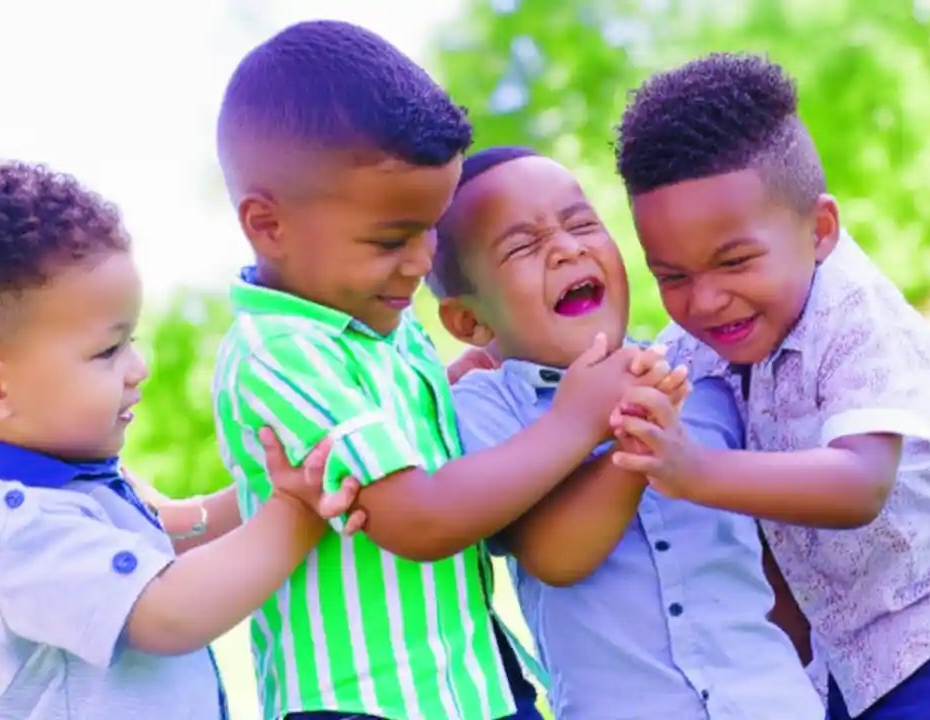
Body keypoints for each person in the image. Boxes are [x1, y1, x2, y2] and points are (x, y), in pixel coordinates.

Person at [209, 20, 680, 720]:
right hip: (366, 704)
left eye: (430, 227)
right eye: (391, 239)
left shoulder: (384, 333)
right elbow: (419, 519)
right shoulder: (280, 349)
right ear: (268, 225)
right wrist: (576, 418)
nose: (422, 259)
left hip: (472, 686)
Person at [611, 52, 930, 718]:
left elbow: (859, 484)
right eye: (671, 277)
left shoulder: (857, 316)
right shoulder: (698, 349)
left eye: (734, 261)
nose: (705, 300)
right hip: (848, 665)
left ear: (819, 230)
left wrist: (695, 469)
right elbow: (629, 376)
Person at [0, 158, 356, 719]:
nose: (138, 367)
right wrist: (296, 511)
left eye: (131, 340)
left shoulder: (74, 483)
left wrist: (275, 483)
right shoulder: (15, 528)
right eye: (107, 351)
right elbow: (170, 611)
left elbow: (178, 529)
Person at [430, 146, 823, 719]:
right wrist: (631, 434)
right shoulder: (484, 411)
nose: (567, 248)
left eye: (582, 223)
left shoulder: (700, 377)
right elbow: (555, 555)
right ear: (470, 320)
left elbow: (767, 565)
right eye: (523, 245)